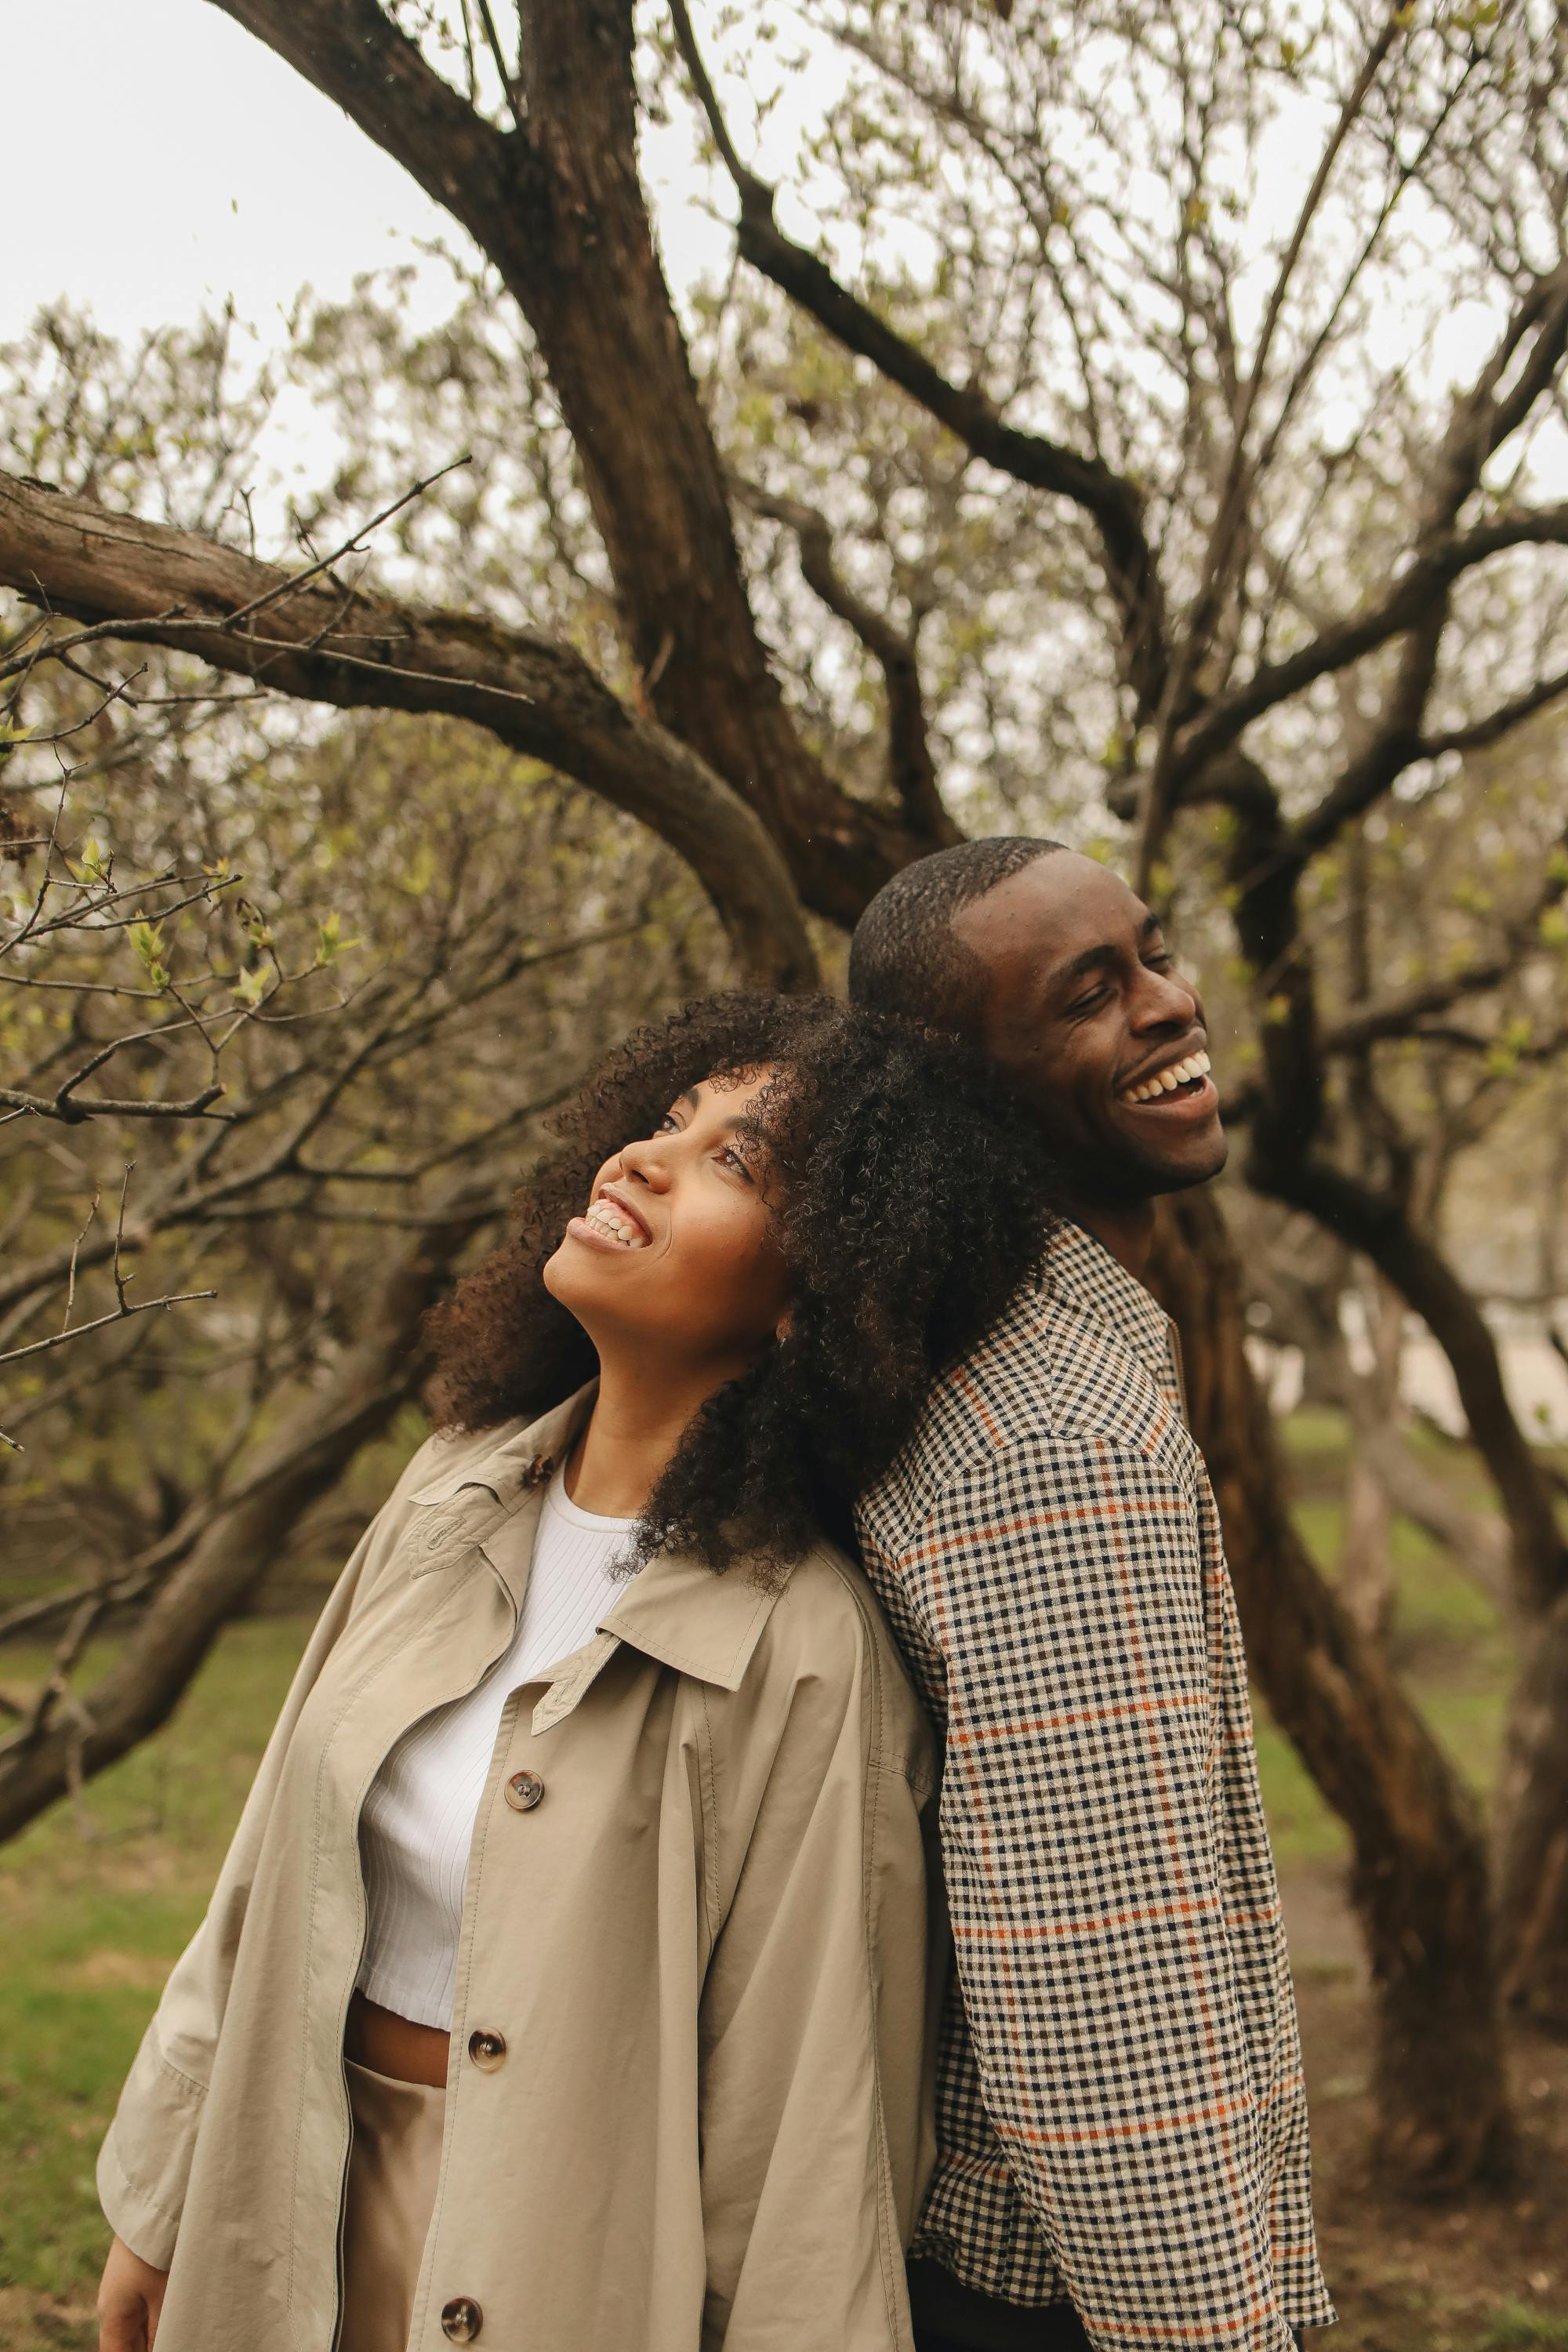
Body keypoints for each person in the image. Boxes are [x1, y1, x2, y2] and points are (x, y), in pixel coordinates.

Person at [94, 993, 1060, 2352]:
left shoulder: (802, 1650)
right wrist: (160, 2197)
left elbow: (805, 2134)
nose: (644, 1159)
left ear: (813, 1298)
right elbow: (265, 1874)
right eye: (668, 1119)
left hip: (565, 2266)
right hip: (282, 2198)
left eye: (734, 1160)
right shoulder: (450, 1492)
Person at [848, 840, 1335, 2352]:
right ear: (961, 1090)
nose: (1171, 1005)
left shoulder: (984, 1349)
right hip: (1051, 2296)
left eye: (1155, 956)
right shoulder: (1060, 1440)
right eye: (1087, 995)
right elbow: (1104, 2001)